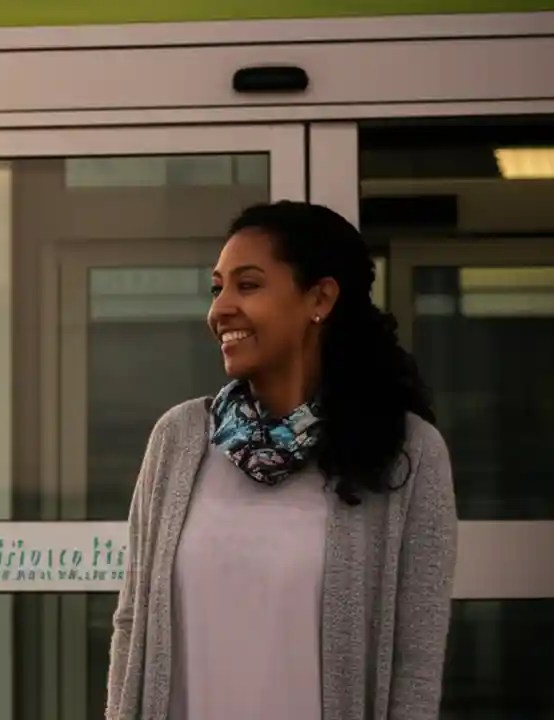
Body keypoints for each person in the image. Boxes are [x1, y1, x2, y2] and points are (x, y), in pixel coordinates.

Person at [105, 201, 458, 720]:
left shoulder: (406, 451)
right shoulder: (179, 440)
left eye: (247, 286)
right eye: (217, 287)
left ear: (320, 297)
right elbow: (132, 621)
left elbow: (416, 658)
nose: (220, 308)